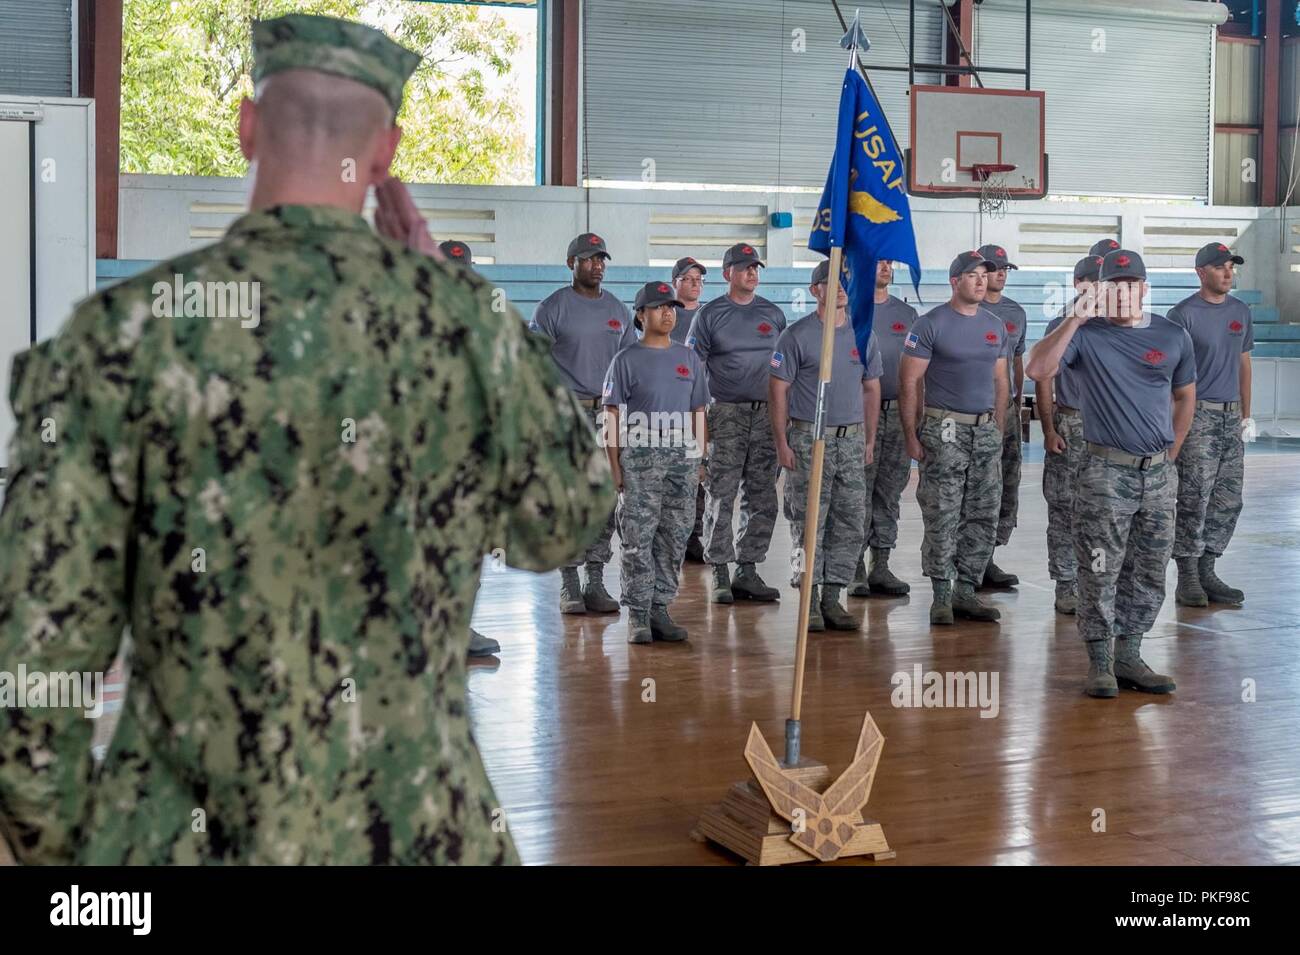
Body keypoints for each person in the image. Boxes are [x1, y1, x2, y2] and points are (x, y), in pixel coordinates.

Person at [0, 13, 616, 865]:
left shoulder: (118, 339)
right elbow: (568, 522)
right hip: (423, 831)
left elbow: (34, 671)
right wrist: (469, 311)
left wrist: (84, 866)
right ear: (388, 150)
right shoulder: (467, 331)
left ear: (248, 127)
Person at [1027, 250, 1196, 698]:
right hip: (1105, 472)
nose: (1122, 293)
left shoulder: (1172, 334)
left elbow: (1184, 395)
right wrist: (1077, 320)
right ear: (1100, 290)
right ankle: (1100, 662)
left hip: (1158, 476)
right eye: (1112, 285)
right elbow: (1037, 369)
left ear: (1144, 287)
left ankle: (1130, 655)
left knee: (1150, 569)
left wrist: (1172, 452)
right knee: (1100, 567)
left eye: (1129, 284)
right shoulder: (1087, 335)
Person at [898, 250, 1008, 626]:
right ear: (954, 281)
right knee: (942, 514)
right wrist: (911, 434)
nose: (981, 281)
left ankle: (966, 590)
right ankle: (941, 594)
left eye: (984, 275)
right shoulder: (930, 324)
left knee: (982, 514)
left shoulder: (995, 325)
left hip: (985, 431)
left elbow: (1001, 381)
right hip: (944, 429)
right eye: (973, 275)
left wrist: (999, 427)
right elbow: (909, 381)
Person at [770, 260, 881, 631]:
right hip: (808, 438)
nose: (841, 288)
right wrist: (782, 440)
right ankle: (810, 596)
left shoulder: (862, 334)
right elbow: (778, 389)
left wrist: (868, 439)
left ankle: (833, 595)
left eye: (846, 281)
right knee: (808, 523)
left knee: (850, 521)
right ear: (816, 289)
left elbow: (871, 387)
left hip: (850, 441)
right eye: (831, 282)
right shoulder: (796, 336)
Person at [529, 232, 635, 616]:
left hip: (608, 412)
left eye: (601, 259)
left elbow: (630, 366)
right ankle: (569, 582)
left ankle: (595, 579)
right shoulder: (552, 308)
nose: (597, 265)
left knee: (608, 494)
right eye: (589, 259)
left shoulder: (620, 312)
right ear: (571, 263)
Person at [603, 282, 710, 644]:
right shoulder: (626, 359)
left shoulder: (688, 358)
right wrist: (615, 466)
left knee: (675, 534)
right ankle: (637, 614)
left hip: (682, 455)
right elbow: (612, 414)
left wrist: (699, 458)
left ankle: (660, 607)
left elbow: (698, 411)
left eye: (672, 307)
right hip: (641, 454)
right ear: (641, 314)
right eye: (660, 307)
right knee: (637, 536)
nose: (668, 313)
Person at [687, 242, 786, 604]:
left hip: (765, 415)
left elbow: (784, 370)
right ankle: (719, 570)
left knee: (762, 496)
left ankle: (748, 568)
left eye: (756, 268)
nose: (752, 274)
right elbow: (692, 372)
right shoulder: (710, 315)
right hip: (725, 414)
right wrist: (699, 424)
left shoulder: (773, 315)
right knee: (720, 495)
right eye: (745, 268)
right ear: (728, 273)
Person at [1167, 242, 1254, 607]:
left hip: (1230, 416)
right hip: (1197, 415)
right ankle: (1187, 576)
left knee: (1228, 498)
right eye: (1220, 267)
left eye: (1231, 266)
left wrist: (1246, 416)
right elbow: (1170, 376)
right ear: (1201, 272)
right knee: (1193, 497)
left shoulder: (1240, 311)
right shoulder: (1182, 314)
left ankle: (1207, 568)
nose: (1228, 272)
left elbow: (1244, 364)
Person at [1032, 254, 1103, 615]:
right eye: (1094, 280)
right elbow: (1043, 379)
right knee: (1064, 509)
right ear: (1079, 283)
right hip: (1072, 424)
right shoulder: (1062, 325)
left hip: (1109, 430)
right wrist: (1048, 428)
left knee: (1105, 513)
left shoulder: (1118, 325)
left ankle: (1099, 582)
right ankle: (1065, 584)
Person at [849, 259, 916, 598]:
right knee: (857, 494)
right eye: (878, 262)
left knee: (889, 494)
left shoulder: (908, 314)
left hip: (897, 411)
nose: (886, 267)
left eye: (889, 262)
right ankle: (854, 565)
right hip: (857, 416)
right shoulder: (849, 309)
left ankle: (881, 563)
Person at [976, 244, 1027, 590]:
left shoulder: (1016, 313)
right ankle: (968, 560)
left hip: (1006, 408)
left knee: (1006, 484)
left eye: (1005, 268)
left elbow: (1018, 360)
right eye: (994, 268)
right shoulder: (966, 309)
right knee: (976, 486)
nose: (1000, 274)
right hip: (973, 409)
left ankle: (988, 557)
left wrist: (1017, 401)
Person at [674, 256, 711, 562]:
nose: (695, 284)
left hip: (702, 406)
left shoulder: (709, 315)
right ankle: (674, 533)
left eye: (699, 279)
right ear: (676, 282)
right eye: (688, 279)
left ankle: (695, 535)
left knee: (701, 472)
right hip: (671, 408)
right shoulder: (665, 314)